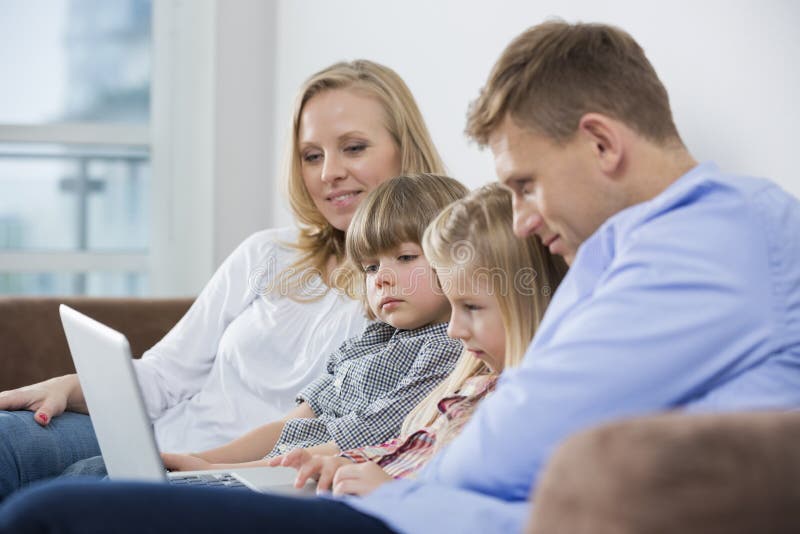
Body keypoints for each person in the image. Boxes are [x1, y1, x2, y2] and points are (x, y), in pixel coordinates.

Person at [3, 20, 800, 534]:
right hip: (395, 498)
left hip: (411, 514)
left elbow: (515, 433)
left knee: (53, 514)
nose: (524, 218)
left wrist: (392, 472)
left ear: (601, 143)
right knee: (53, 497)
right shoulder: (611, 252)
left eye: (525, 184)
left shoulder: (714, 238)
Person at [0, 59, 446, 498]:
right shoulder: (268, 252)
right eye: (312, 156)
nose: (329, 173)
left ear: (405, 150)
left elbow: (371, 433)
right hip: (159, 439)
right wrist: (70, 386)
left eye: (354, 148)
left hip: (247, 477)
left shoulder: (425, 291)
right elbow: (165, 375)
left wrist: (210, 466)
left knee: (61, 500)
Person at [270, 184, 567, 494]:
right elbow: (407, 448)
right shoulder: (470, 384)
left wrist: (392, 492)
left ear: (526, 298)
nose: (454, 329)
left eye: (471, 307)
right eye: (370, 267)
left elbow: (469, 497)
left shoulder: (522, 402)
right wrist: (344, 463)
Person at [160, 174, 466, 473]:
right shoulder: (372, 338)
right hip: (271, 472)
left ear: (457, 260)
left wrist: (225, 471)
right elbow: (291, 424)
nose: (381, 278)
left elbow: (361, 439)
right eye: (371, 267)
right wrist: (202, 461)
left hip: (311, 477)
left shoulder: (449, 349)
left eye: (406, 257)